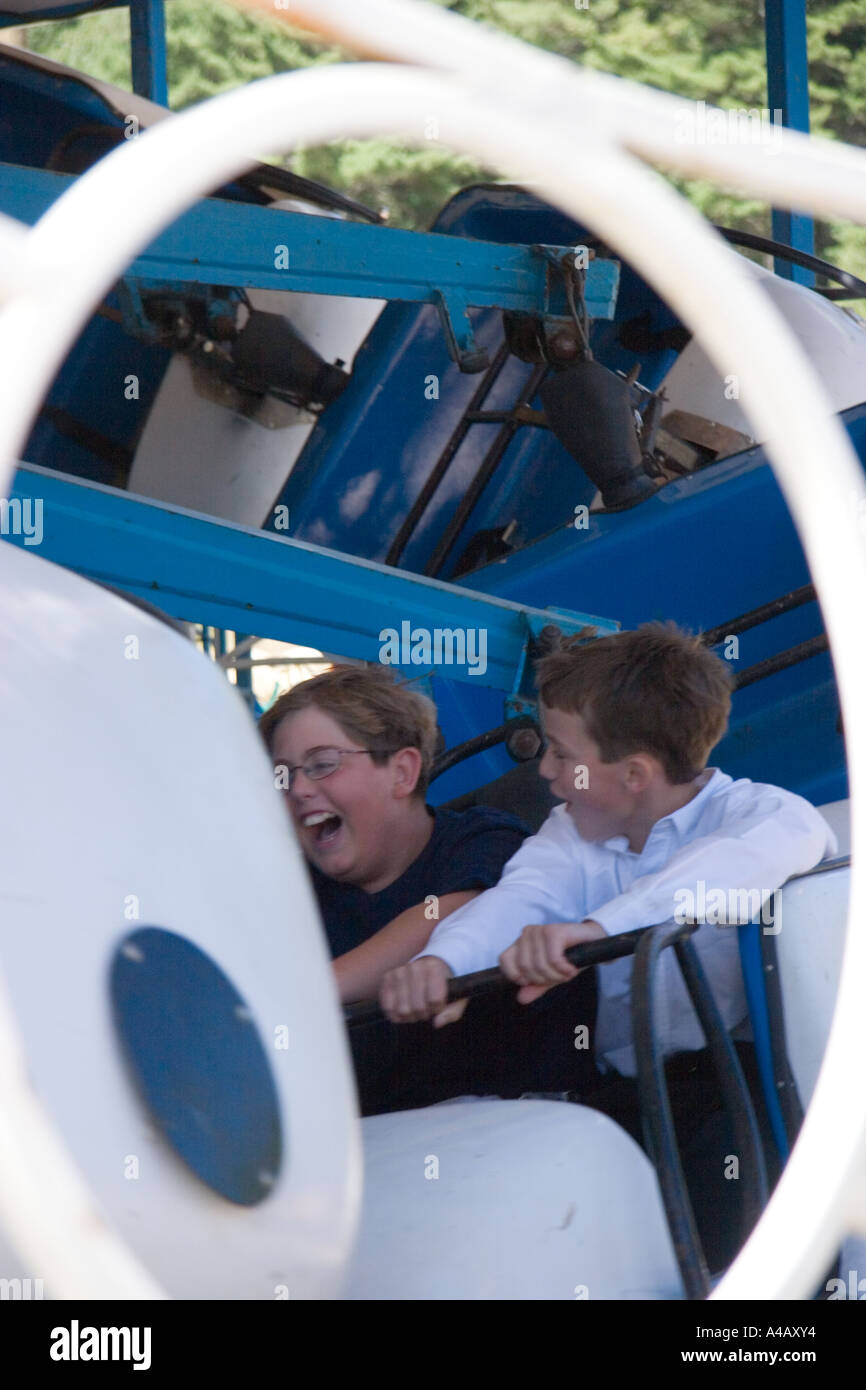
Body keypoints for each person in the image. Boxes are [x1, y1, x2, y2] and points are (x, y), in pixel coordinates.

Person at [379, 623, 837, 1100]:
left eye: (561, 753)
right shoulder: (570, 829)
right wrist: (444, 962)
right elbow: (519, 899)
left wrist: (599, 931)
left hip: (745, 1086)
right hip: (619, 1086)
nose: (545, 769)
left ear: (635, 774)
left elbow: (724, 870)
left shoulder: (771, 815)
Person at [259, 664, 585, 1113]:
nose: (297, 789)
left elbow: (457, 914)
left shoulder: (482, 840)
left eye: (322, 765)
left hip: (517, 1123)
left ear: (402, 771)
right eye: (282, 776)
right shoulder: (287, 897)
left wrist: (292, 993)